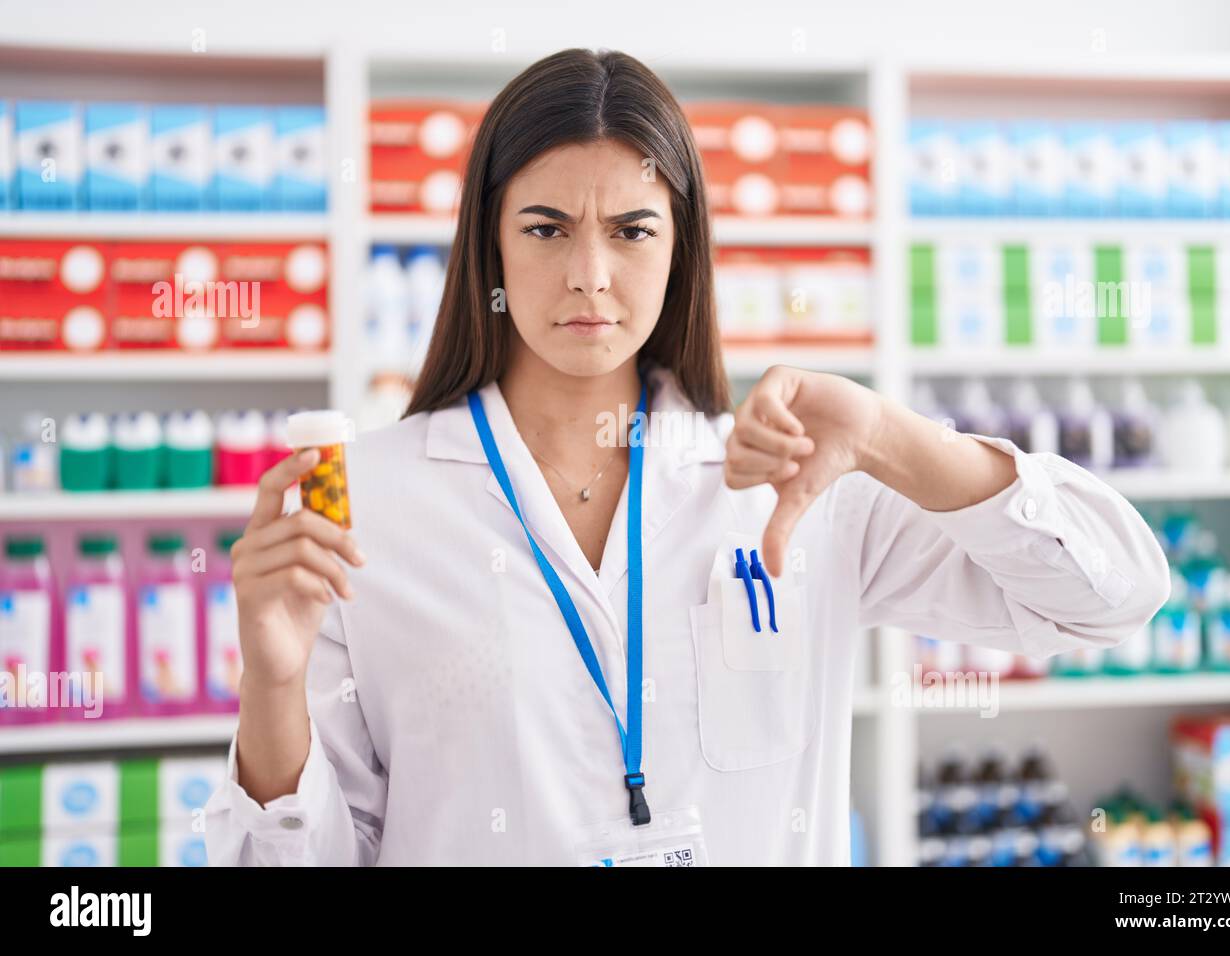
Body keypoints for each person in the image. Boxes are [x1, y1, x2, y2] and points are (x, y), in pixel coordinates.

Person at [203, 47, 1171, 866]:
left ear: (682, 249)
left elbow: (1114, 593)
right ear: (488, 249)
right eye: (545, 229)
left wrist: (888, 435)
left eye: (632, 230)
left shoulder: (801, 480)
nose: (589, 274)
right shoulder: (365, 502)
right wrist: (274, 685)